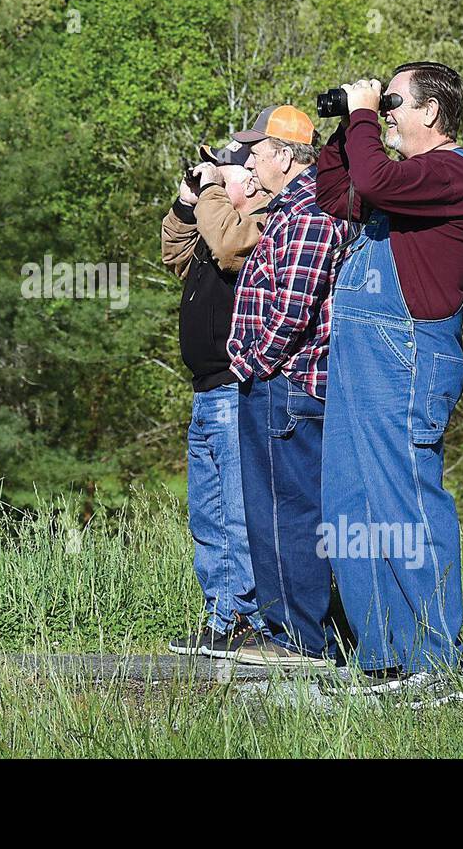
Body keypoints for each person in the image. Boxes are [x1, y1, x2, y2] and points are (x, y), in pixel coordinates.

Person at [314, 62, 463, 699]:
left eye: (392, 102)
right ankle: (386, 658)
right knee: (350, 509)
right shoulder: (402, 183)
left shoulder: (452, 174)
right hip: (363, 363)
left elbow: (373, 176)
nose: (384, 113)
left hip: (410, 357)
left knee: (406, 505)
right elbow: (339, 194)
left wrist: (362, 117)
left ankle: (439, 665)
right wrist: (345, 126)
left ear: (432, 113)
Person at [224, 105, 348, 667]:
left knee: (288, 513)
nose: (249, 161)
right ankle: (289, 632)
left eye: (257, 151)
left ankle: (299, 638)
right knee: (275, 509)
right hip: (280, 382)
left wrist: (255, 363)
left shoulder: (310, 212)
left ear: (282, 155)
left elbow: (293, 307)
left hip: (286, 384)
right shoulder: (292, 210)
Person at [160, 139, 272, 656]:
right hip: (205, 393)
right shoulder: (215, 226)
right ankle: (222, 617)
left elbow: (228, 249)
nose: (212, 177)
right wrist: (187, 199)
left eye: (222, 170)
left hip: (235, 388)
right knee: (207, 513)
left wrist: (210, 193)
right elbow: (172, 253)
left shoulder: (259, 225)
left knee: (236, 511)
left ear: (247, 181)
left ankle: (248, 620)